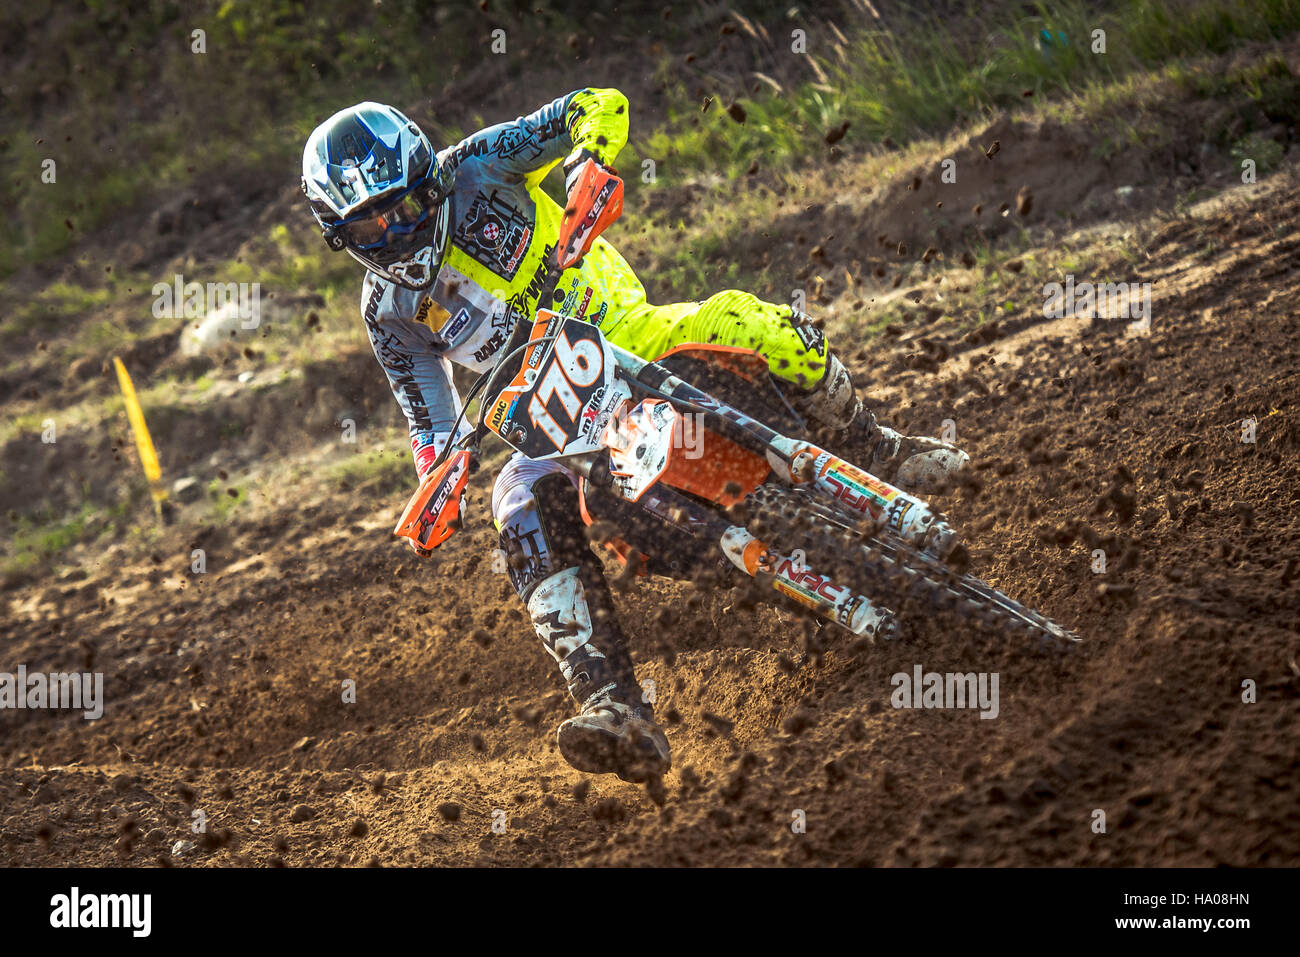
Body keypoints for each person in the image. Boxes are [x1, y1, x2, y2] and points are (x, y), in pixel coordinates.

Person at [301, 90, 967, 782]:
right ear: (341, 236)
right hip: (551, 424)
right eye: (371, 225)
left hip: (633, 335)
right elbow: (431, 422)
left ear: (429, 179)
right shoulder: (388, 313)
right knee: (514, 500)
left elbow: (595, 103)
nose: (395, 230)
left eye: (405, 206)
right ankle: (612, 704)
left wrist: (588, 162)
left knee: (749, 320)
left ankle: (878, 450)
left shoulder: (480, 164)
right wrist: (438, 480)